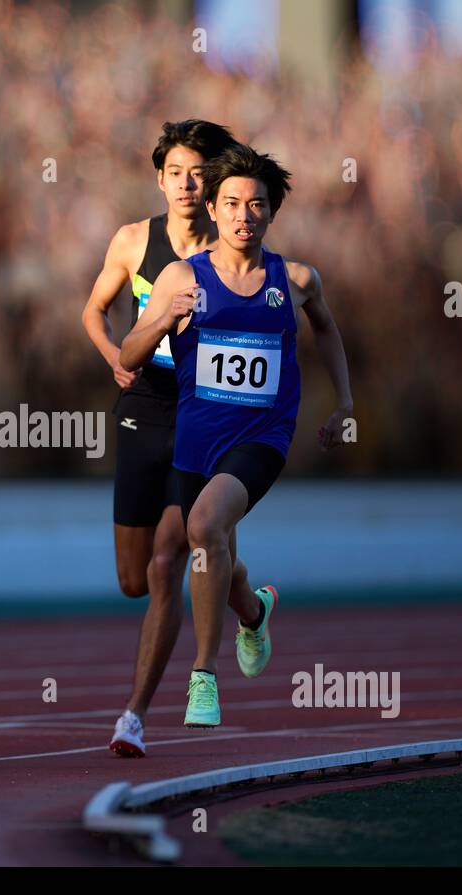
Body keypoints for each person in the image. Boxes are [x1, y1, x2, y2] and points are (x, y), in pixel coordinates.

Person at [120, 142, 353, 728]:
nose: (244, 216)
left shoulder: (295, 279)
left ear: (272, 212)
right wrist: (165, 320)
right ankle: (254, 610)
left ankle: (203, 676)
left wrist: (344, 403)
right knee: (216, 552)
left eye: (256, 205)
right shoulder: (180, 276)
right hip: (196, 438)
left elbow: (327, 331)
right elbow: (128, 352)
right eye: (232, 204)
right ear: (215, 210)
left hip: (262, 435)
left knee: (202, 527)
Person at [81, 120, 270, 756]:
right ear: (159, 179)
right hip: (142, 410)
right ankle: (249, 601)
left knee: (170, 562)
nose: (187, 185)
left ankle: (133, 716)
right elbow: (93, 308)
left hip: (203, 415)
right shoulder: (135, 242)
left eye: (199, 173)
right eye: (176, 173)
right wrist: (116, 352)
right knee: (133, 578)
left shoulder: (235, 246)